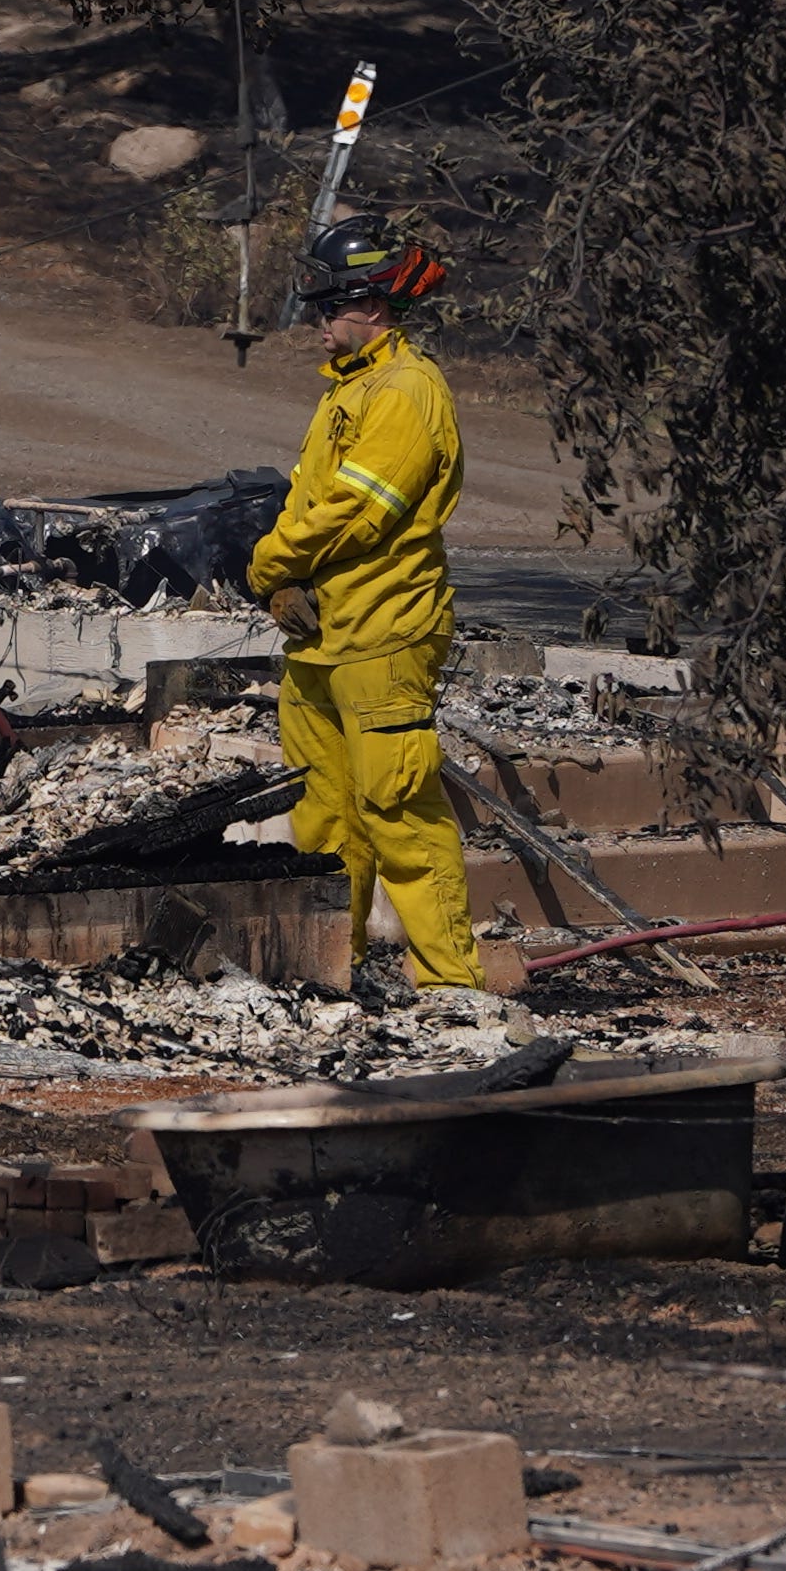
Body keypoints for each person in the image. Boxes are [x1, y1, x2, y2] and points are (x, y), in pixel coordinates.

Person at [247, 218, 490, 1020]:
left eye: (331, 306)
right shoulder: (350, 389)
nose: (319, 322)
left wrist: (271, 565)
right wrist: (288, 587)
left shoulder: (406, 392)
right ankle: (333, 970)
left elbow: (361, 511)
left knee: (398, 812)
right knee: (324, 816)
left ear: (375, 305)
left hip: (385, 634)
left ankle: (452, 987)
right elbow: (310, 497)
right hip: (321, 638)